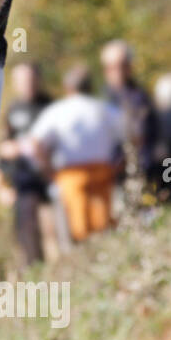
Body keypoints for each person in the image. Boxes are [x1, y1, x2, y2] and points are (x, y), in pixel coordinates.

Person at [28, 65, 125, 243]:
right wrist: (121, 163)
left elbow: (35, 143)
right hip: (102, 172)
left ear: (68, 88)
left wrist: (47, 170)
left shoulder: (58, 111)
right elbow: (132, 135)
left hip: (71, 177)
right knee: (103, 228)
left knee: (75, 230)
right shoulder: (104, 109)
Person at [0, 61, 57, 266]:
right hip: (24, 182)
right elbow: (3, 149)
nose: (27, 84)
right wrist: (1, 185)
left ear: (38, 80)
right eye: (21, 81)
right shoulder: (13, 109)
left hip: (51, 179)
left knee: (53, 232)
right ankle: (34, 277)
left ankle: (62, 275)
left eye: (30, 79)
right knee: (26, 233)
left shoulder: (50, 107)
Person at [101, 39, 157, 192]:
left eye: (123, 65)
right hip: (106, 176)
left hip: (138, 173)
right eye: (113, 67)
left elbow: (152, 135)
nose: (118, 72)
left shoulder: (140, 98)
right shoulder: (100, 99)